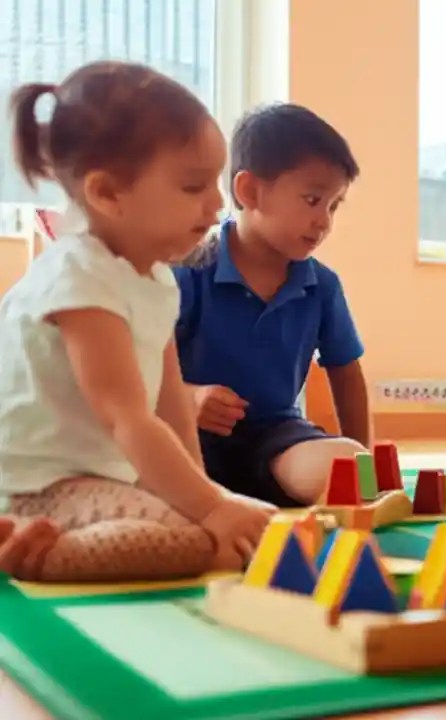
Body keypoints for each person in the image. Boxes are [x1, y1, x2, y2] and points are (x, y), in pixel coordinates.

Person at [0, 61, 274, 582]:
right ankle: (31, 549)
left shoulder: (154, 280)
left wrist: (210, 493)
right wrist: (211, 512)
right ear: (107, 194)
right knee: (204, 546)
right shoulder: (81, 278)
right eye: (194, 186)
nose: (217, 203)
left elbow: (170, 402)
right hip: (41, 487)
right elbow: (126, 417)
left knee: (252, 528)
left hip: (103, 476)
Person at [174, 104, 368, 507]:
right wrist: (188, 397)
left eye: (333, 206)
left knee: (346, 462)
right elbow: (135, 367)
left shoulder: (322, 286)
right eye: (313, 200)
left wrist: (367, 468)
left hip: (277, 438)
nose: (324, 222)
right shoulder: (188, 271)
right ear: (249, 192)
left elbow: (346, 372)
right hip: (182, 438)